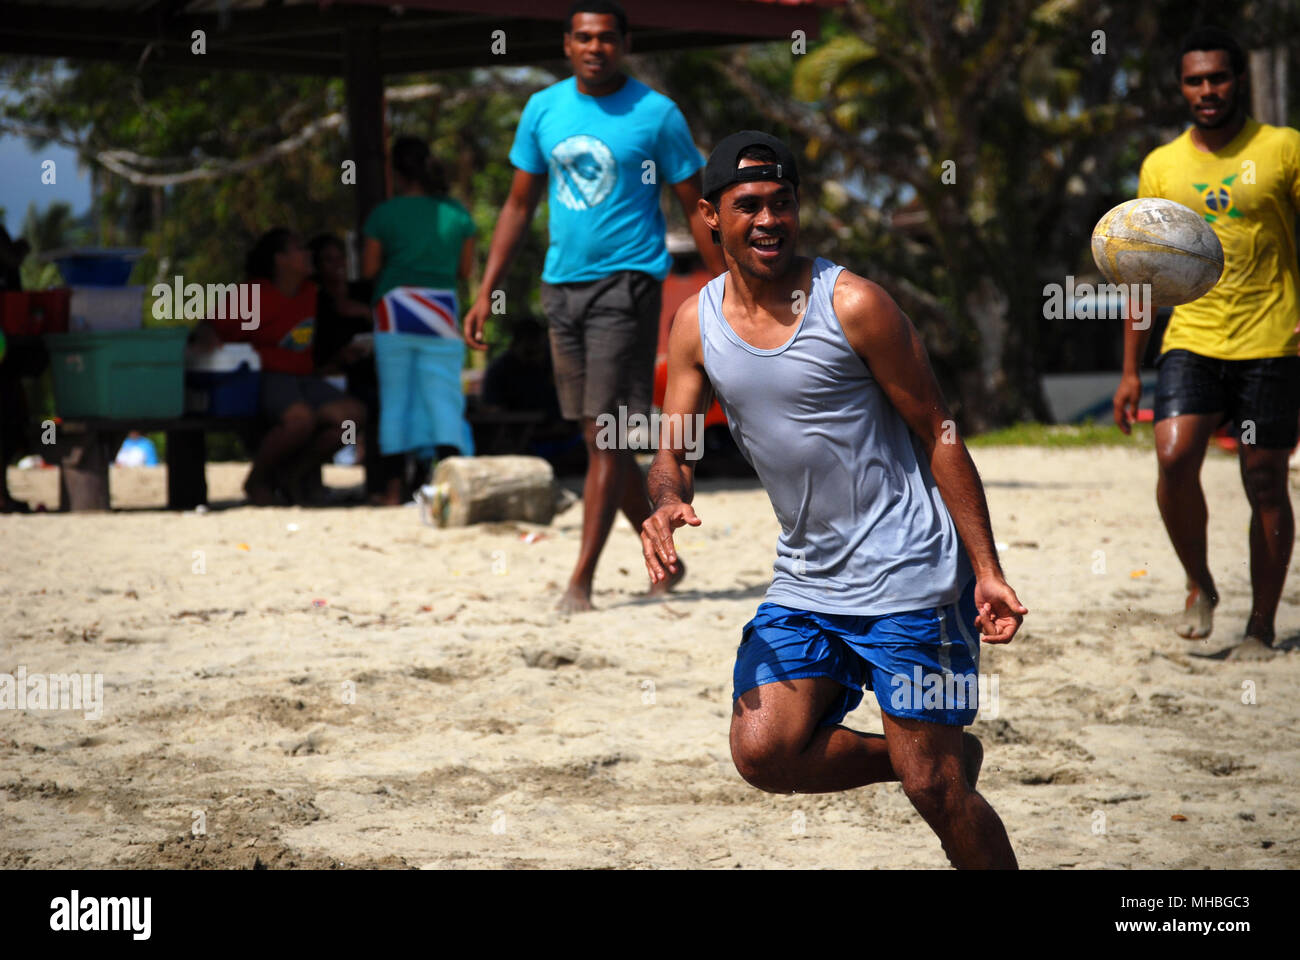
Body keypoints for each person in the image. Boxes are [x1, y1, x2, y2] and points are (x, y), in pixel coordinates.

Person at [641, 132, 1026, 869]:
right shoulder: (696, 322)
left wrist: (987, 567)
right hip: (808, 580)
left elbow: (940, 431)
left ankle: (935, 768)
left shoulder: (853, 304)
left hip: (913, 578)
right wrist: (664, 502)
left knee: (937, 794)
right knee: (765, 752)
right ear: (709, 217)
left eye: (781, 203)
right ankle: (930, 758)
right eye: (747, 205)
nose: (767, 220)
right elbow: (674, 454)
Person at [463, 0, 726, 612]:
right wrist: (485, 289)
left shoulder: (657, 115)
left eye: (607, 38)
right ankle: (668, 557)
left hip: (627, 284)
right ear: (566, 45)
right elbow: (518, 205)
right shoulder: (543, 109)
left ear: (625, 43)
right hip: (561, 288)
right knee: (597, 434)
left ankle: (580, 580)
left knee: (608, 440)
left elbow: (694, 204)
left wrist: (727, 288)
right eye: (583, 37)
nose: (595, 47)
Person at [1113, 27, 1300, 661]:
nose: (1207, 90)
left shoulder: (1283, 149)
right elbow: (1141, 269)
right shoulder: (1163, 165)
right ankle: (1200, 582)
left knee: (1265, 478)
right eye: (1195, 80)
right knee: (1173, 458)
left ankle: (1262, 629)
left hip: (1272, 335)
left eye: (1217, 77)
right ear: (1181, 88)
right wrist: (1130, 370)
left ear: (1237, 79)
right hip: (1191, 335)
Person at [197, 228, 365, 505]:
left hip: (303, 378)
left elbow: (339, 288)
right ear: (280, 260)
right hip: (265, 376)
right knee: (300, 421)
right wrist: (211, 341)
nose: (307, 254)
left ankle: (292, 475)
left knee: (350, 419)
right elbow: (208, 327)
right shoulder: (254, 294)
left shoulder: (309, 291)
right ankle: (257, 481)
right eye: (298, 249)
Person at [362, 137, 477, 482]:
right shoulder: (457, 214)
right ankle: (448, 482)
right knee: (444, 398)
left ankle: (393, 488)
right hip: (440, 310)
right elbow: (466, 271)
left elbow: (369, 271)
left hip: (393, 308)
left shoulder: (384, 214)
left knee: (395, 399)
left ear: (395, 172)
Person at [309, 233, 404, 504]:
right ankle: (307, 476)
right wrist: (338, 359)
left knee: (387, 406)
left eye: (341, 258)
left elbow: (389, 325)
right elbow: (313, 356)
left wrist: (364, 314)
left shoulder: (363, 292)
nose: (337, 265)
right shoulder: (315, 302)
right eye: (328, 260)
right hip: (334, 379)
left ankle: (388, 486)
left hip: (369, 373)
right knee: (360, 411)